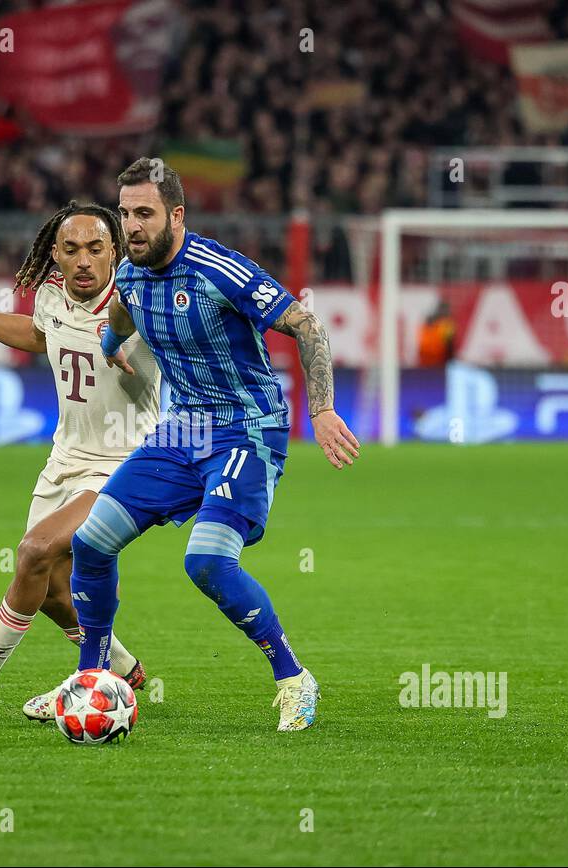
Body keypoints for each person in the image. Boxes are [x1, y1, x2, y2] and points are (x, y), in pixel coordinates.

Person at [63, 159, 360, 733]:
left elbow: (307, 326)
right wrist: (110, 342)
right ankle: (91, 677)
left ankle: (293, 678)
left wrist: (320, 410)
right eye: (124, 214)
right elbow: (123, 310)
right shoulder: (129, 273)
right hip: (180, 431)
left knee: (205, 561)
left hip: (246, 429)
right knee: (91, 543)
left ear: (176, 215)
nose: (131, 227)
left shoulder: (217, 269)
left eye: (144, 213)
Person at [0, 201, 161, 719]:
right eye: (71, 249)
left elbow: (178, 350)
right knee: (47, 590)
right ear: (56, 253)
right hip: (64, 458)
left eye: (96, 248)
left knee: (32, 551)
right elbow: (38, 336)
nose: (84, 260)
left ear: (114, 250)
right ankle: (120, 663)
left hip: (124, 464)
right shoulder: (51, 295)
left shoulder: (139, 302)